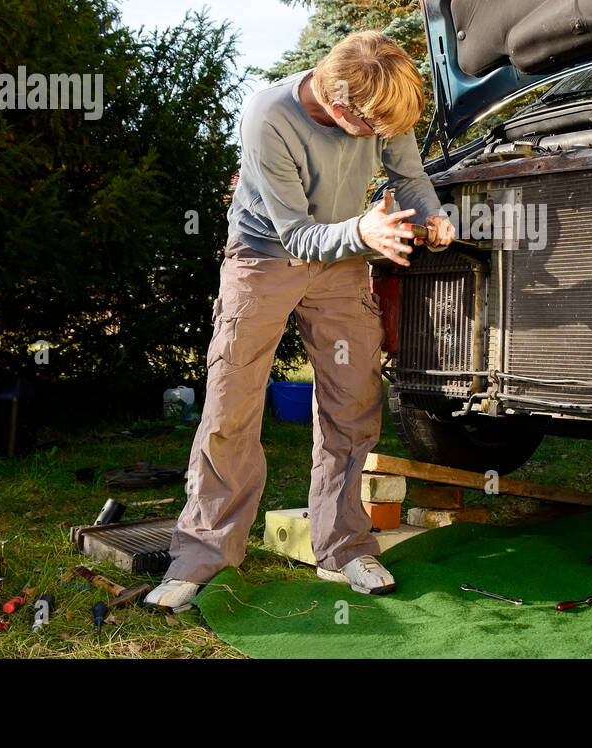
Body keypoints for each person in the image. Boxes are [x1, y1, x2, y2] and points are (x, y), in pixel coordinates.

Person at [146, 31, 454, 610]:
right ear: (340, 108)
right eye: (374, 130)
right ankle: (203, 557)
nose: (385, 137)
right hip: (265, 259)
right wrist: (363, 232)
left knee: (353, 399)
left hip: (341, 263)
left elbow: (409, 175)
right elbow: (296, 234)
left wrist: (434, 217)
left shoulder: (380, 101)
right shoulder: (269, 116)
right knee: (230, 404)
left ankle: (344, 548)